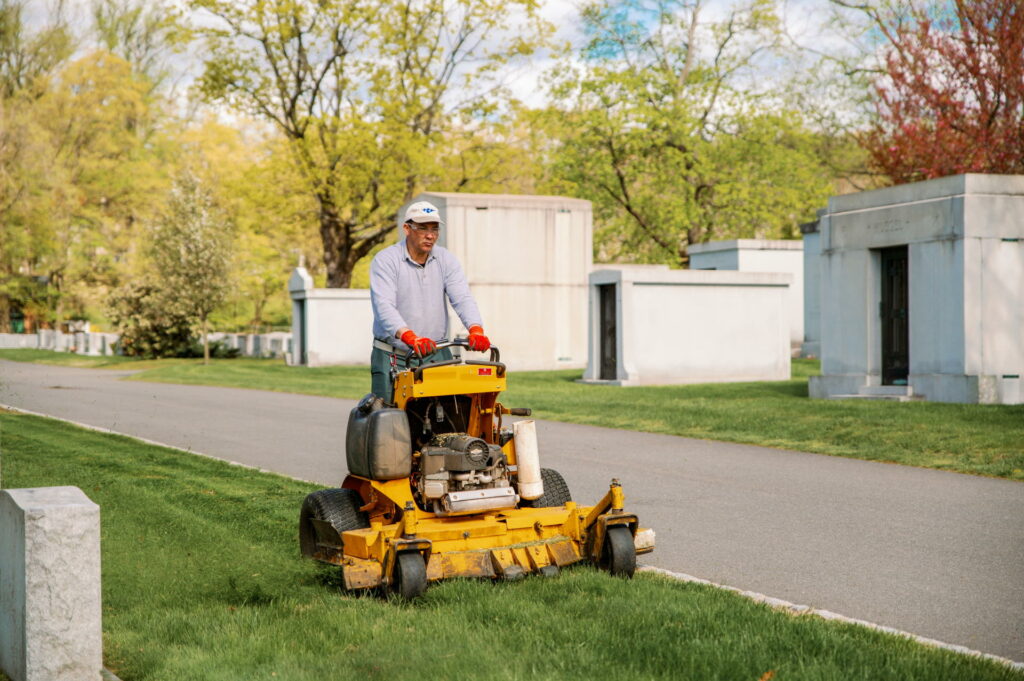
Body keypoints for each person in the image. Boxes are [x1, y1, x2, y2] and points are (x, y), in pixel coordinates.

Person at [369, 200, 491, 401]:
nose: (430, 235)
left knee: (450, 415)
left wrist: (476, 328)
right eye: (423, 228)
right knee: (389, 420)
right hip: (394, 355)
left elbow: (462, 298)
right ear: (407, 228)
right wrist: (409, 336)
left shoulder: (446, 259)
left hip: (436, 352)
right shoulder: (386, 260)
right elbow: (384, 306)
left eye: (435, 229)